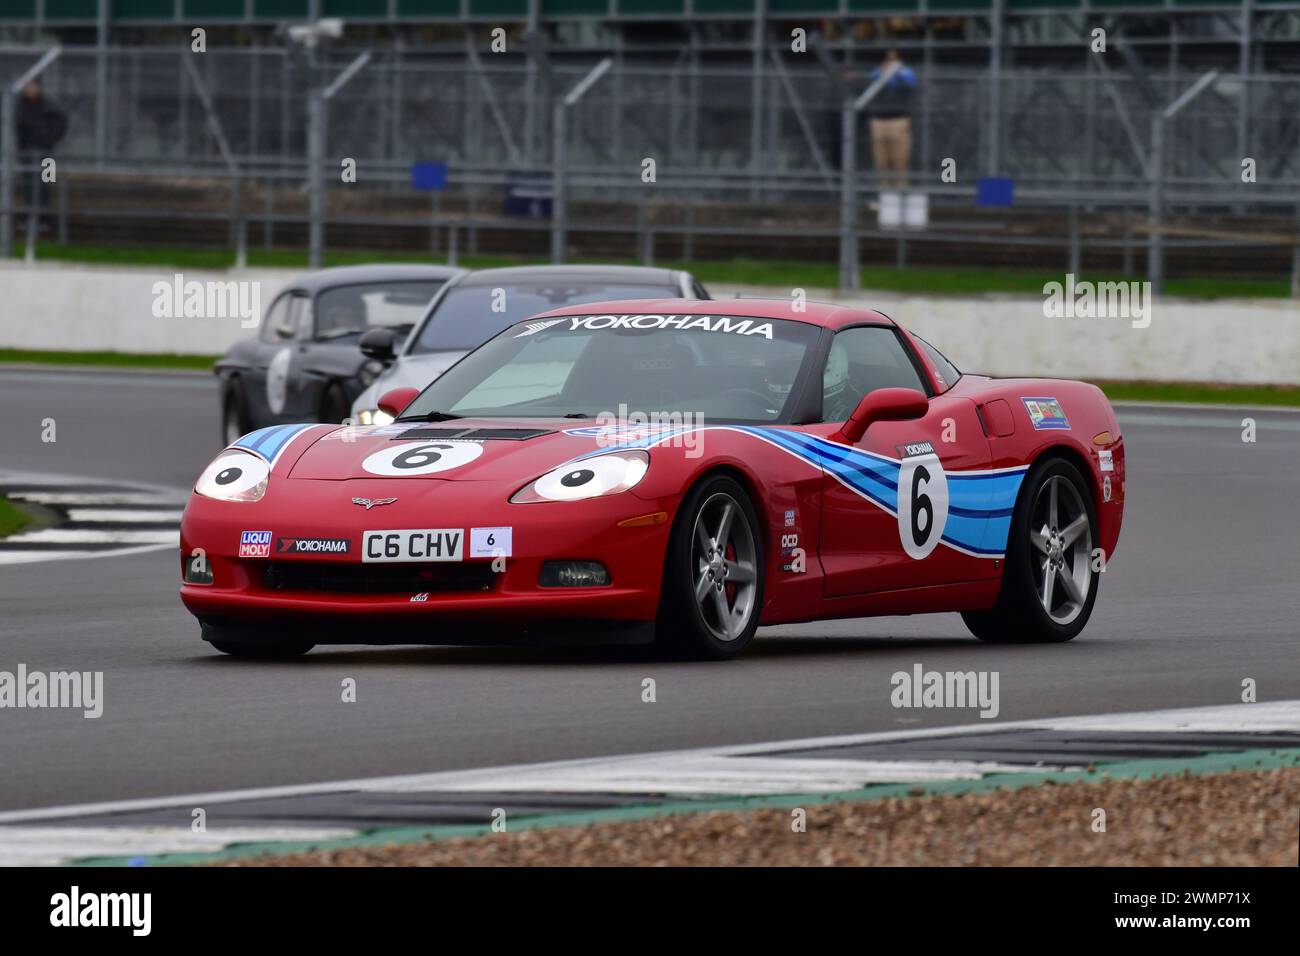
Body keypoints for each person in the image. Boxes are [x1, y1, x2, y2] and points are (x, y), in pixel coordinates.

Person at [15, 79, 68, 227]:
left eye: (33, 86)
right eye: (27, 87)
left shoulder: (48, 104)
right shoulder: (20, 106)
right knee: (29, 184)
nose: (30, 90)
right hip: (27, 153)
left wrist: (52, 137)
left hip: (47, 152)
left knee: (47, 181)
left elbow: (62, 121)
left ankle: (45, 218)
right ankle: (29, 217)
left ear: (39, 88)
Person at [868, 50, 917, 191]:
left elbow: (909, 83)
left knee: (900, 159)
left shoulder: (906, 73)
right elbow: (873, 81)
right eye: (888, 58)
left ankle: (901, 191)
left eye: (894, 59)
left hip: (898, 120)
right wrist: (884, 72)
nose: (890, 62)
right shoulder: (878, 72)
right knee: (881, 160)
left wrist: (895, 72)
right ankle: (883, 191)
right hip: (879, 120)